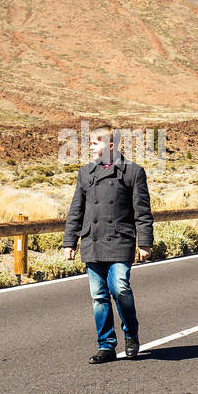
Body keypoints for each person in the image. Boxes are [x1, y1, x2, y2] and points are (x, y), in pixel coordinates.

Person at [62, 126, 154, 364]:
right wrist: (69, 242)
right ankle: (106, 346)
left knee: (120, 288)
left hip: (120, 240)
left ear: (110, 146)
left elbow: (142, 213)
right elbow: (76, 211)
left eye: (95, 143)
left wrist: (145, 243)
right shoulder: (85, 173)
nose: (90, 147)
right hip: (92, 241)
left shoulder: (133, 172)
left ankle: (131, 333)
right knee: (99, 296)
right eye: (90, 143)